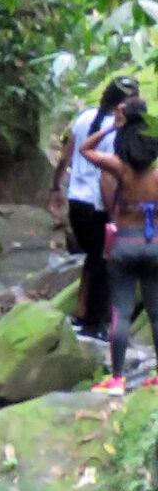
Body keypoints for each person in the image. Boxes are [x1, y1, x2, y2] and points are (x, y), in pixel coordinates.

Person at [51, 76, 139, 337]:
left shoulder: (84, 117)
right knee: (103, 262)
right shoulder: (118, 132)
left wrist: (55, 187)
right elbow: (106, 177)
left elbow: (65, 157)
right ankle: (93, 323)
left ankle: (81, 313)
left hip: (76, 201)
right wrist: (115, 213)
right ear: (123, 105)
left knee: (92, 259)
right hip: (96, 205)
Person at [81, 97, 158, 392]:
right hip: (154, 246)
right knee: (156, 313)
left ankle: (116, 378)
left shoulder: (120, 169)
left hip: (124, 245)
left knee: (121, 313)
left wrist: (111, 128)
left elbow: (85, 149)